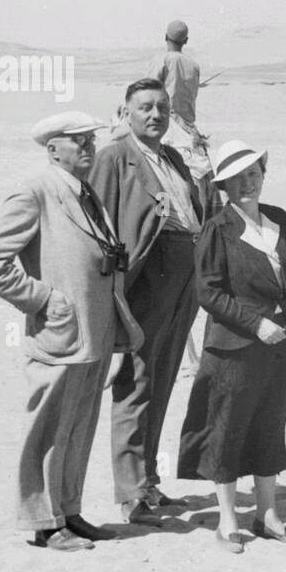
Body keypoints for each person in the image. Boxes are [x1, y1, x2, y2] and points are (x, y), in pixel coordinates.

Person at [0, 111, 144, 552]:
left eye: (90, 139)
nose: (88, 147)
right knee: (48, 429)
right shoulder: (36, 190)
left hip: (96, 331)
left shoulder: (85, 192)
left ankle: (69, 511)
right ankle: (44, 524)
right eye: (78, 141)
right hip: (61, 332)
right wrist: (45, 300)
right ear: (53, 149)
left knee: (79, 425)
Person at [177, 140, 286, 552]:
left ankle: (267, 513)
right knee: (228, 429)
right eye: (236, 179)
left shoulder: (279, 221)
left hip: (279, 348)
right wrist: (257, 325)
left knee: (269, 427)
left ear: (263, 176)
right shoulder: (217, 229)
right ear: (223, 187)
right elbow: (209, 294)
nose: (247, 184)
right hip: (234, 348)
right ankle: (228, 519)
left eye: (253, 174)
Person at [90, 78, 203, 526]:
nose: (154, 115)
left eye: (161, 108)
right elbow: (98, 223)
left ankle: (150, 480)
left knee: (164, 377)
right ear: (126, 113)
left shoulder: (174, 157)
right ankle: (131, 494)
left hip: (184, 270)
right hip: (146, 274)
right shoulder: (114, 157)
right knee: (136, 381)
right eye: (145, 108)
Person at [148, 19, 213, 207]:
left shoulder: (162, 60)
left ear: (165, 37)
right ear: (186, 41)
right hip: (189, 129)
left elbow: (147, 92)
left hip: (168, 125)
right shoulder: (193, 65)